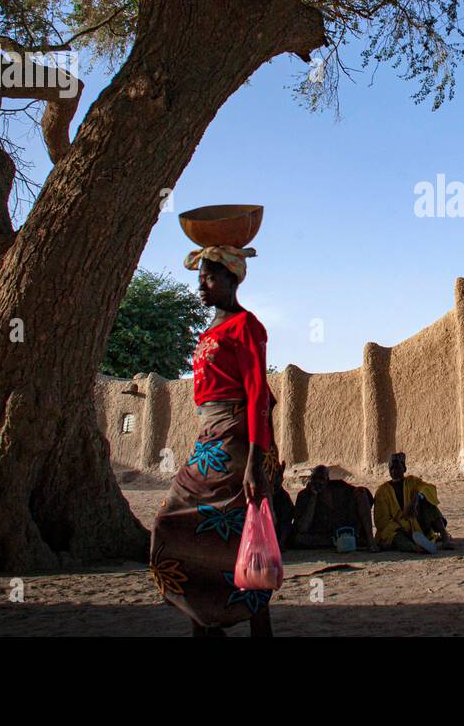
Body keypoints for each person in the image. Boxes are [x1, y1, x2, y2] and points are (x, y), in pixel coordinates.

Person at [149, 245, 278, 637]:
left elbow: (257, 393)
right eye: (199, 277)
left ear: (232, 279)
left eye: (210, 277)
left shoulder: (246, 326)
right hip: (209, 437)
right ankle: (207, 623)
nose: (201, 285)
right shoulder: (210, 330)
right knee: (188, 528)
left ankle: (254, 627)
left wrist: (256, 460)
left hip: (236, 444)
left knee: (235, 532)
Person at [373, 452, 454, 553]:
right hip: (396, 528)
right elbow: (382, 520)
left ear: (404, 468)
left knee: (428, 503)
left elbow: (428, 490)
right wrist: (401, 522)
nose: (395, 471)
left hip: (416, 524)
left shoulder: (412, 481)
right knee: (396, 536)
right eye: (392, 468)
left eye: (398, 468)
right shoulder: (382, 491)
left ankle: (445, 537)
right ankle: (417, 549)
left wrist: (415, 501)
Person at [288, 465, 377, 552]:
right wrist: (313, 498)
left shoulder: (339, 487)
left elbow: (362, 494)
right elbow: (301, 528)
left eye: (321, 479)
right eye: (315, 478)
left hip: (345, 528)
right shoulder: (304, 495)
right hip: (323, 535)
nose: (318, 482)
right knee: (298, 539)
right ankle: (342, 541)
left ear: (327, 481)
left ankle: (368, 541)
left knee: (361, 492)